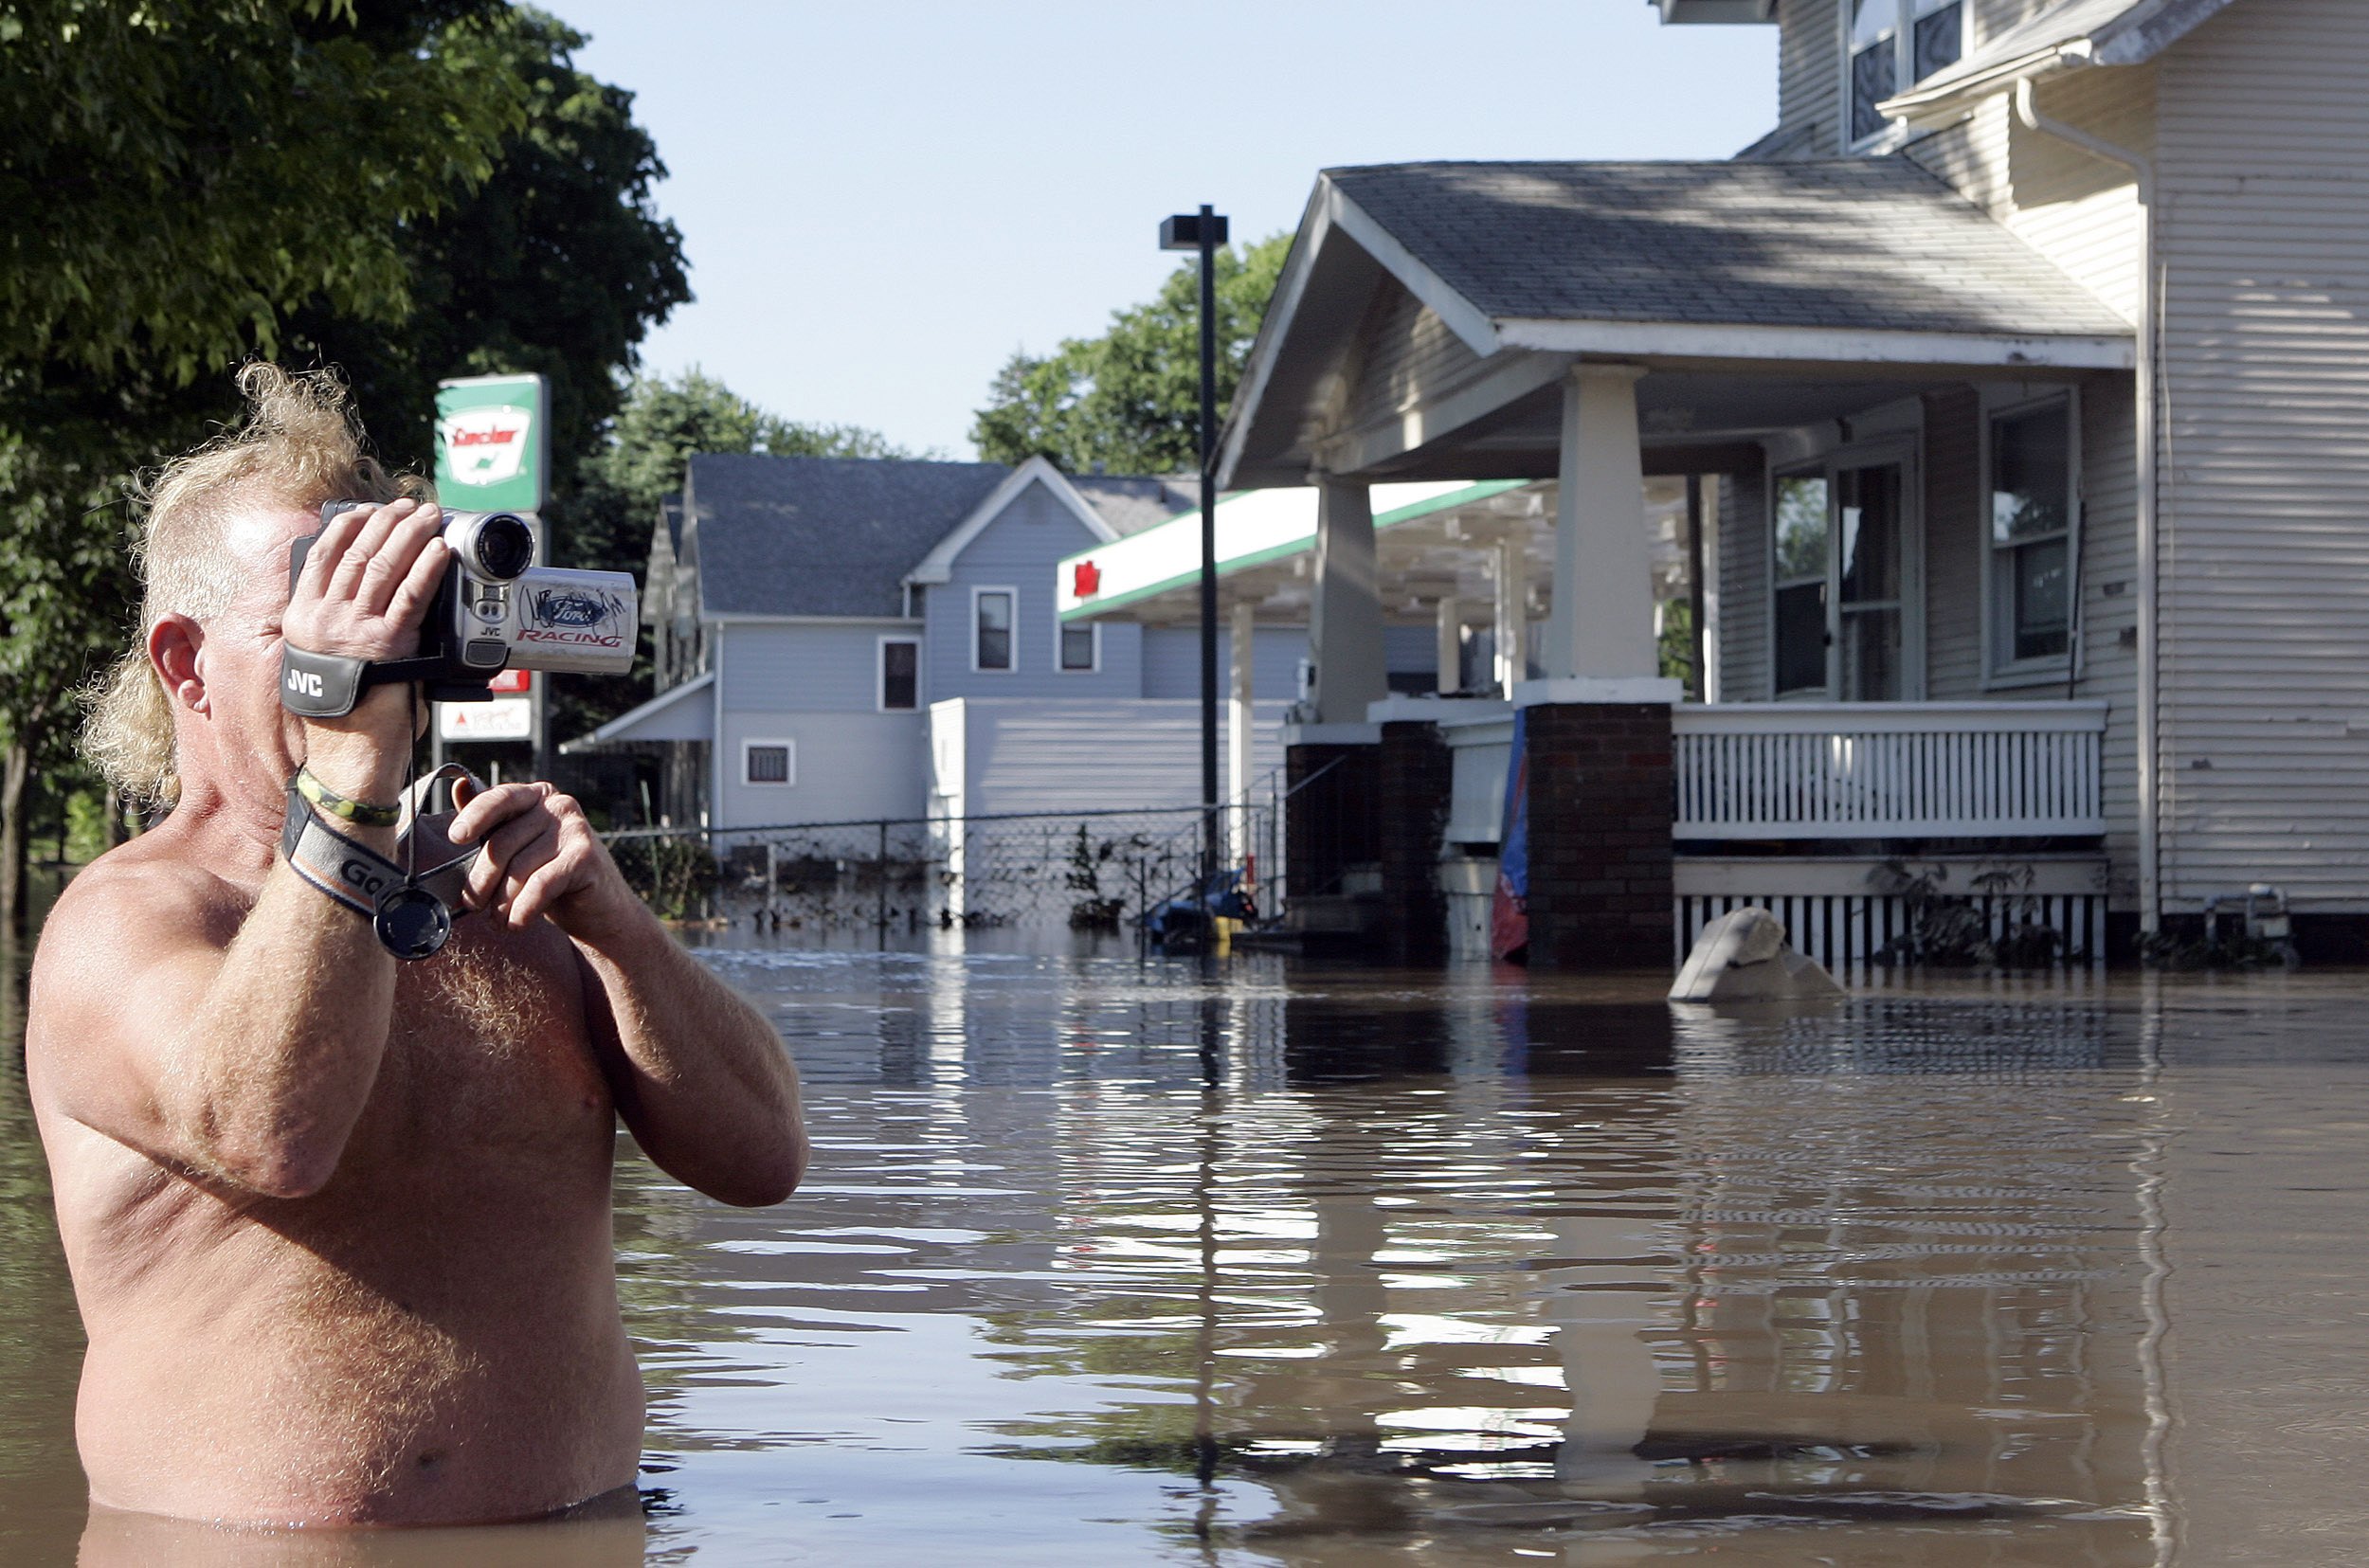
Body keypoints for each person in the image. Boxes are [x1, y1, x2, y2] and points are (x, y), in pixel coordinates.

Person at [24, 365, 806, 1528]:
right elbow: (271, 1131)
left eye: (400, 611)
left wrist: (619, 929)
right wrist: (352, 780)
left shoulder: (508, 887)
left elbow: (765, 1159)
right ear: (186, 661)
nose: (380, 656)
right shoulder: (127, 920)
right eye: (327, 623)